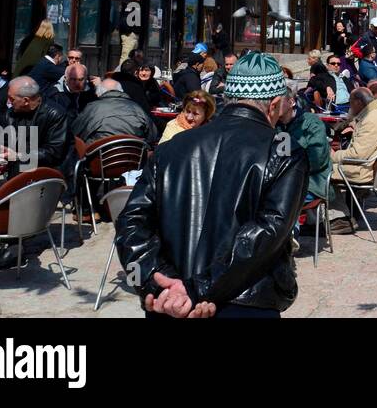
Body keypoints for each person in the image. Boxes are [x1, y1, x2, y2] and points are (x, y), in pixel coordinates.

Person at [116, 51, 308, 319]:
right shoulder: (284, 153)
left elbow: (131, 222)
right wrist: (194, 289)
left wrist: (159, 283)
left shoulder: (170, 148)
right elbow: (265, 235)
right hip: (243, 302)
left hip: (172, 303)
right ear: (274, 104)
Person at [330, 87, 377, 189]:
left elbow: (357, 155)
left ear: (358, 102)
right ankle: (339, 203)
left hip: (363, 171)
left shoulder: (371, 119)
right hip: (375, 168)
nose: (350, 106)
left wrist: (333, 155)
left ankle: (331, 204)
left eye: (350, 102)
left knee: (318, 169)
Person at [3, 76, 71, 175]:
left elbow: (54, 152)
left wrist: (19, 155)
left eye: (11, 99)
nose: (8, 102)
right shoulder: (12, 113)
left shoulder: (56, 114)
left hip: (50, 170)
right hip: (19, 167)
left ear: (26, 101)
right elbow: (8, 141)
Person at [73, 78, 158, 148]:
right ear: (121, 91)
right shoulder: (137, 108)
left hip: (98, 160)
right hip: (133, 159)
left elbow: (75, 131)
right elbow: (153, 135)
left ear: (98, 94)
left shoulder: (92, 108)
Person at [119, 0, 142, 64]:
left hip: (133, 34)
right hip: (130, 34)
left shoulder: (135, 7)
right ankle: (121, 73)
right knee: (126, 56)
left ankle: (127, 72)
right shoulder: (130, 6)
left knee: (131, 56)